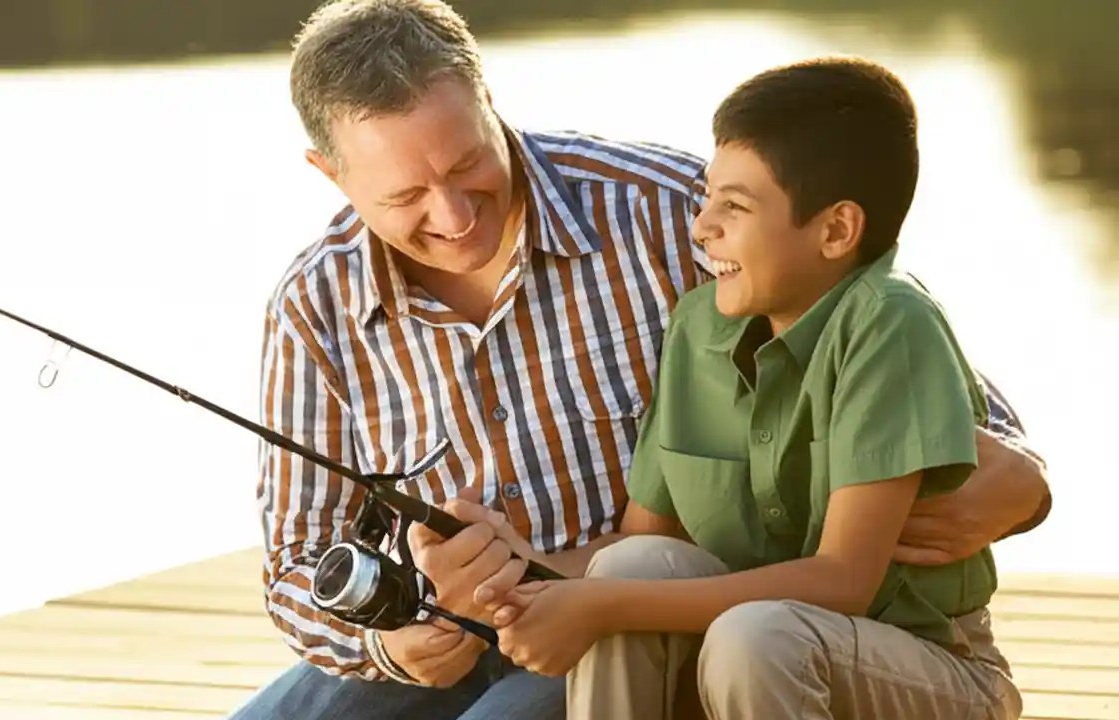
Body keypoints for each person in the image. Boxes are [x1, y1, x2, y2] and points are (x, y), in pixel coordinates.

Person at [227, 2, 1050, 719]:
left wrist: (1022, 477)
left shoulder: (669, 209)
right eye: (405, 197)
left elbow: (893, 341)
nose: (451, 213)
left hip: (684, 616)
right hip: (448, 624)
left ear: (488, 105)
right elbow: (295, 564)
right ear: (329, 174)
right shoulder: (313, 305)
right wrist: (395, 644)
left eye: (466, 163)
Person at [480, 57, 1024, 720]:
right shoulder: (698, 324)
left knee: (753, 634)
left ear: (836, 230)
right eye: (708, 198)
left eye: (733, 206)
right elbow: (637, 549)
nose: (701, 226)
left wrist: (600, 605)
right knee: (634, 568)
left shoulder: (891, 321)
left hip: (933, 668)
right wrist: (513, 570)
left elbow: (843, 583)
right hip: (759, 658)